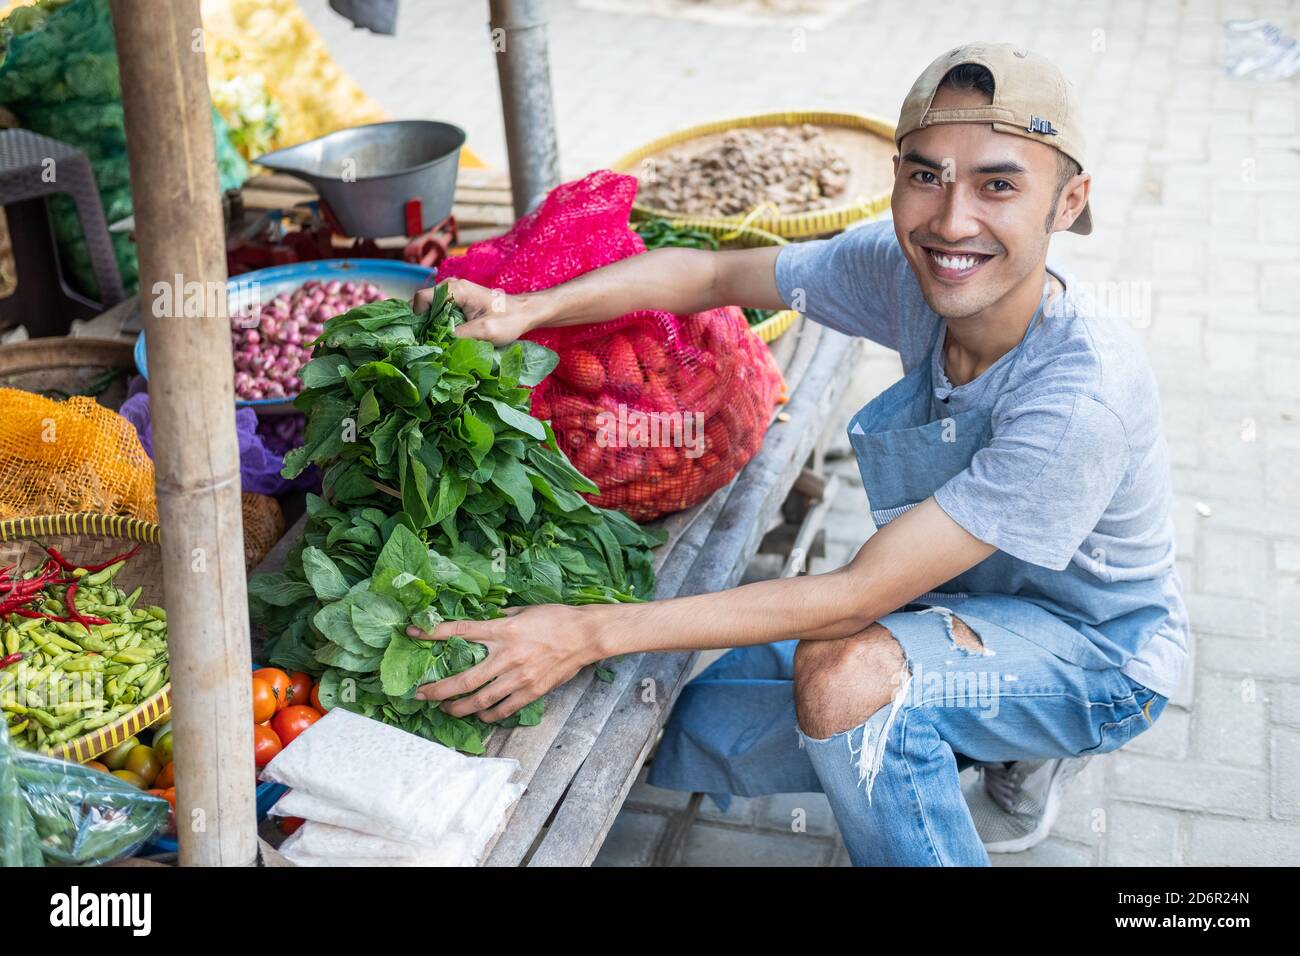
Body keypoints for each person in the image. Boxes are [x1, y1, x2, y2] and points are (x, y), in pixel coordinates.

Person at [407, 42, 1188, 866]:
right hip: (956, 599)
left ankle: (1014, 743)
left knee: (845, 679)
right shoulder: (904, 270)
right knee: (690, 726)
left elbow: (853, 597)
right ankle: (985, 730)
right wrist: (525, 310)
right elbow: (709, 275)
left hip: (1100, 653)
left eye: (999, 184)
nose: (952, 222)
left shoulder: (1077, 400)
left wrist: (588, 632)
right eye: (926, 176)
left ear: (1069, 203)